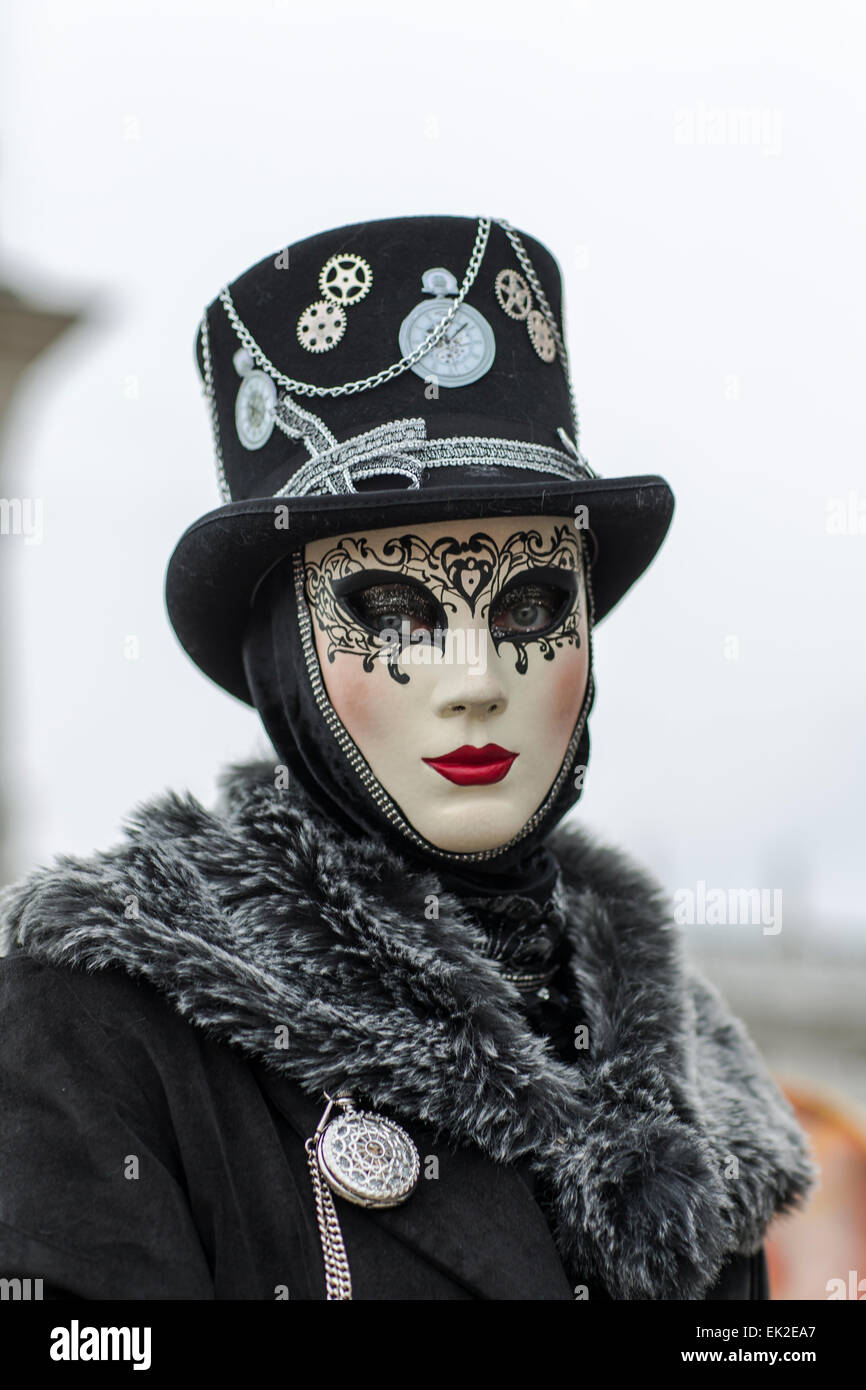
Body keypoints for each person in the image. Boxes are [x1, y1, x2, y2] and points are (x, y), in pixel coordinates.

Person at [0, 215, 816, 1300]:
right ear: (280, 651)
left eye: (529, 604)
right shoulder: (103, 1029)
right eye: (391, 612)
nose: (476, 677)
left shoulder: (701, 1088)